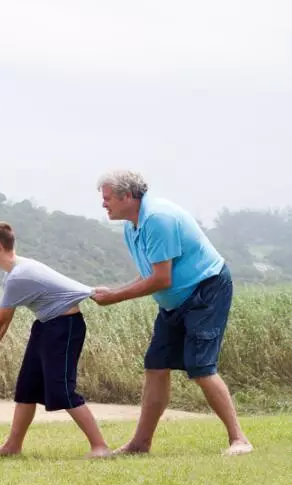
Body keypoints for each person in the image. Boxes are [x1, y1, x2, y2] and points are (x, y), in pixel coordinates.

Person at [91, 170, 252, 456]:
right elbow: (151, 274)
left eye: (107, 199)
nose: (104, 204)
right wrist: (115, 291)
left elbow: (161, 279)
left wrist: (115, 296)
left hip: (206, 290)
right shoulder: (132, 225)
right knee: (156, 365)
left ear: (128, 196)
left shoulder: (157, 219)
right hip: (173, 302)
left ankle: (239, 439)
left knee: (200, 366)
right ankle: (140, 444)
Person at [0, 222, 111, 459]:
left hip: (64, 327)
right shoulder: (18, 271)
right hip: (45, 326)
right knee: (27, 388)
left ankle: (100, 446)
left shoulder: (19, 276)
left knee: (62, 389)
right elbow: (3, 325)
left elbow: (0, 322)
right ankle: (12, 446)